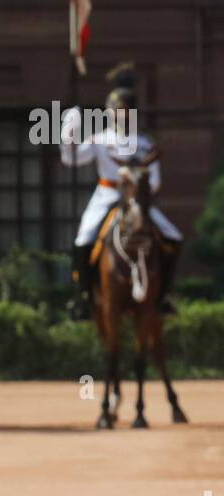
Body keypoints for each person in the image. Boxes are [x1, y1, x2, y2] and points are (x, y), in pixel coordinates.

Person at [60, 62, 182, 320]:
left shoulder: (145, 143)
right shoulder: (99, 140)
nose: (122, 115)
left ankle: (163, 297)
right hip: (106, 195)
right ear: (110, 113)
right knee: (84, 239)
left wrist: (140, 184)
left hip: (137, 199)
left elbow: (156, 180)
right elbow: (71, 159)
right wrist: (68, 131)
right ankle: (83, 298)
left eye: (127, 111)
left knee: (173, 237)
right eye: (118, 111)